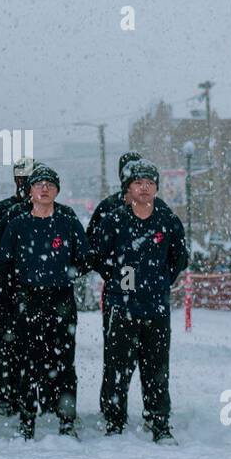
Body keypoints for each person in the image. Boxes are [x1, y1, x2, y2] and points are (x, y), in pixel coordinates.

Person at [89, 158, 187, 442]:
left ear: (156, 187)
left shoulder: (166, 220)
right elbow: (97, 255)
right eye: (138, 183)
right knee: (117, 367)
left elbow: (179, 257)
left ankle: (159, 423)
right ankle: (114, 421)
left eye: (149, 183)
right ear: (127, 188)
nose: (144, 188)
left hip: (156, 307)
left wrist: (160, 280)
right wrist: (118, 277)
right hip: (123, 307)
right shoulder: (115, 219)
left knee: (157, 368)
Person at [0, 163, 88, 440]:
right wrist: (20, 289)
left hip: (61, 301)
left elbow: (84, 259)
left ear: (57, 190)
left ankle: (66, 421)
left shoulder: (68, 222)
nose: (44, 188)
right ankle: (27, 421)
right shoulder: (17, 224)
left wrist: (63, 274)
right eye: (38, 184)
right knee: (28, 365)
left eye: (49, 184)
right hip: (28, 301)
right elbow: (3, 262)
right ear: (30, 191)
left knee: (64, 365)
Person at [0, 156, 35, 415]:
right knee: (8, 347)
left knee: (42, 348)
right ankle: (6, 399)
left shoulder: (49, 210)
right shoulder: (3, 210)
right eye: (20, 177)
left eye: (28, 178)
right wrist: (7, 272)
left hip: (40, 292)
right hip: (9, 290)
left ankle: (41, 399)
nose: (24, 183)